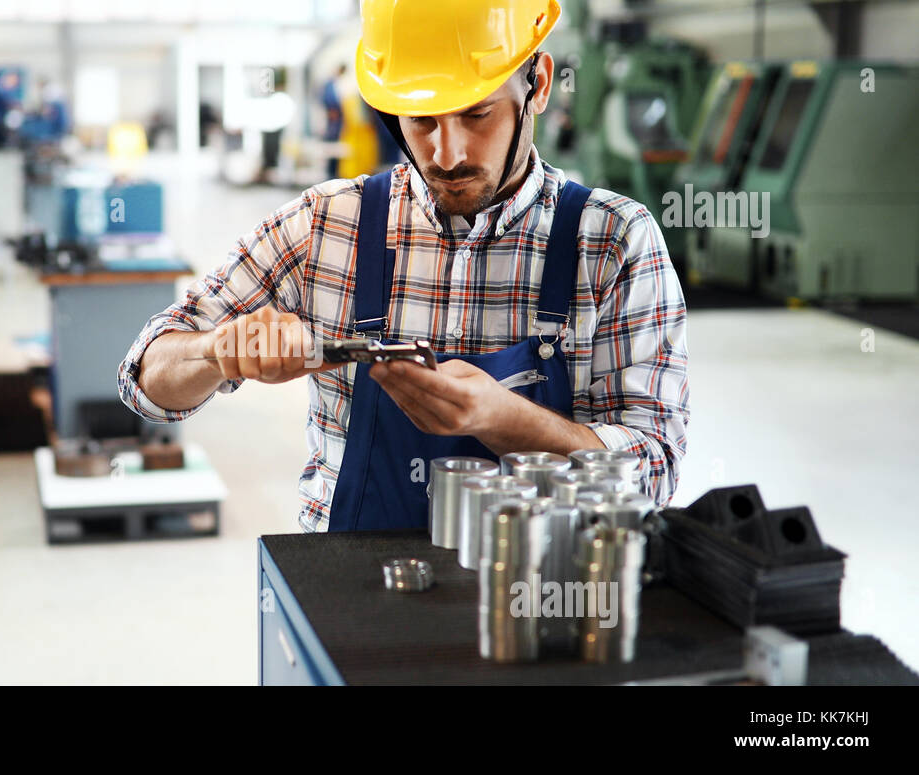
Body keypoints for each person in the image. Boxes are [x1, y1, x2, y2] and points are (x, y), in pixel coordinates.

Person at [118, 0, 689, 532]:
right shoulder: (324, 224)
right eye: (420, 120)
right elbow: (144, 378)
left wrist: (503, 419)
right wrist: (216, 351)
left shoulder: (613, 240)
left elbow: (654, 472)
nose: (447, 153)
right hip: (351, 596)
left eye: (476, 114)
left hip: (538, 591)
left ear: (537, 82)